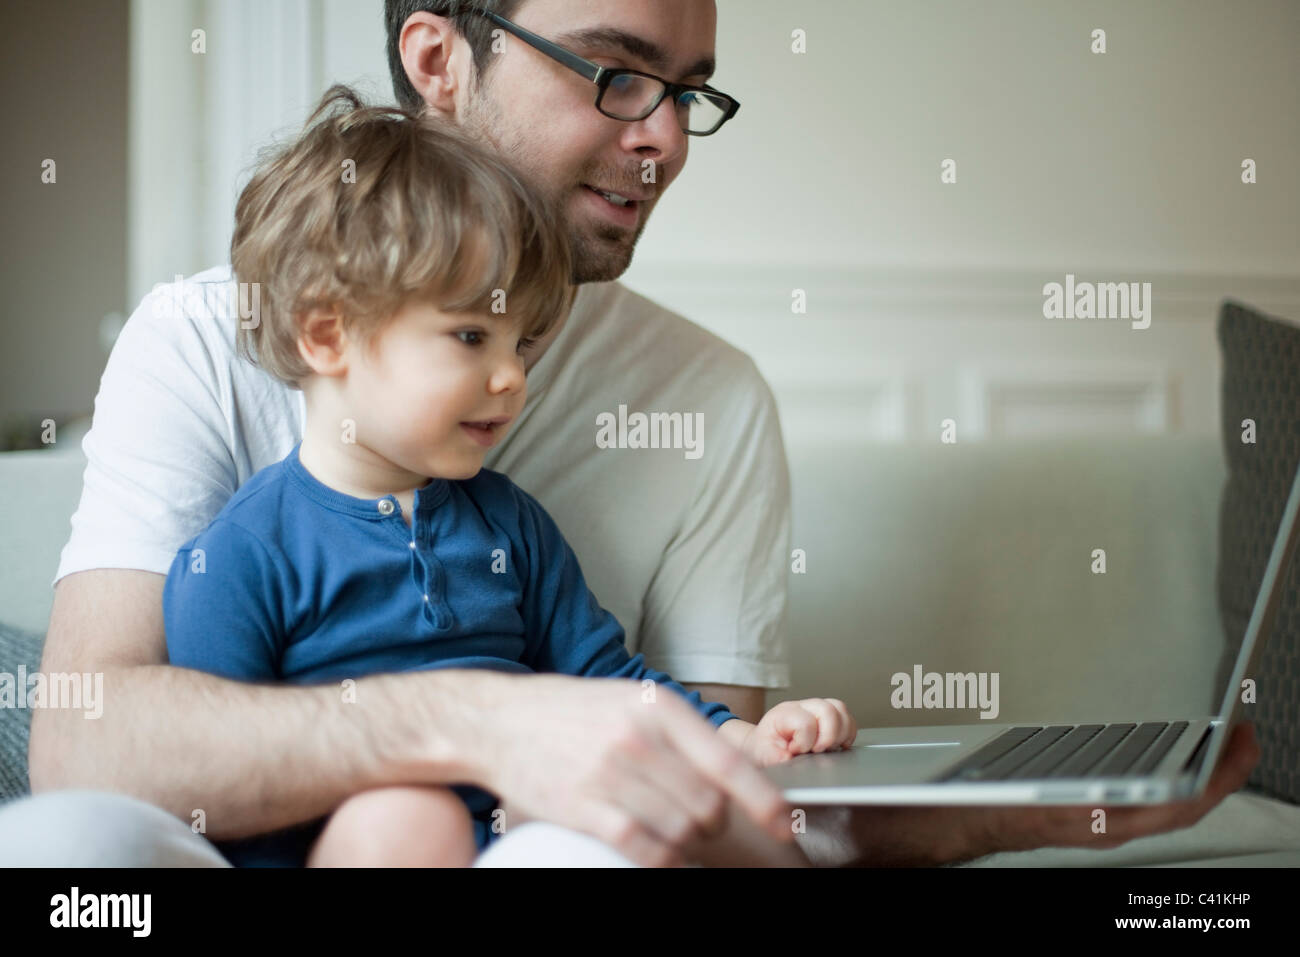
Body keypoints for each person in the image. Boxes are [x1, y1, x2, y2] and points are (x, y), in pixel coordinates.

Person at [8, 0, 1257, 869]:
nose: (662, 135)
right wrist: (470, 724)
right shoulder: (199, 347)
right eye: (613, 70)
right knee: (65, 846)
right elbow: (98, 737)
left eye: (689, 90)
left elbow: (700, 809)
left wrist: (1020, 811)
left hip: (518, 846)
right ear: (440, 60)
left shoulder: (698, 408)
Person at [162, 86, 857, 867]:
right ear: (327, 333)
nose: (510, 379)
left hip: (517, 838)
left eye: (520, 344)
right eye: (470, 336)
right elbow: (221, 781)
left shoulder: (509, 523)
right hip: (360, 846)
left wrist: (743, 736)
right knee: (405, 820)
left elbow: (604, 676)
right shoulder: (240, 555)